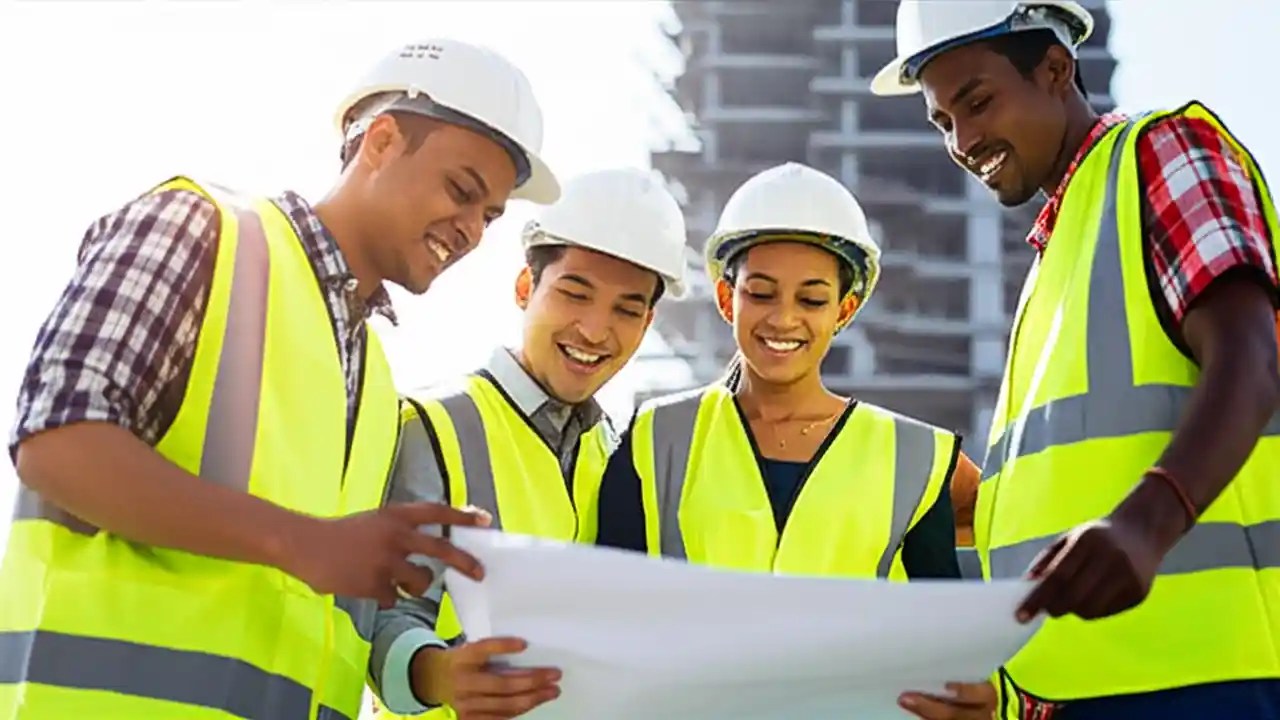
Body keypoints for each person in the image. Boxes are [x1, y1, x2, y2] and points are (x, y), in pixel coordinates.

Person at [0, 38, 559, 720]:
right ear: (381, 142)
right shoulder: (202, 229)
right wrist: (305, 542)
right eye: (462, 191)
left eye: (490, 216)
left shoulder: (378, 385)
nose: (471, 230)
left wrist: (435, 670)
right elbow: (56, 442)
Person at [873, 2, 1280, 718]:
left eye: (978, 102)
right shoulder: (1054, 261)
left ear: (1056, 70)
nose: (963, 141)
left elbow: (1254, 354)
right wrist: (1010, 699)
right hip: (1080, 697)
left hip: (1214, 681)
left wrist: (1149, 521)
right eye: (943, 122)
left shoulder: (1161, 151)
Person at [594, 162, 996, 719]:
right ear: (727, 299)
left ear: (844, 310)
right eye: (761, 293)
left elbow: (944, 642)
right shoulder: (656, 436)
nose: (783, 319)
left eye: (811, 300)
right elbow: (609, 620)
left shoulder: (916, 457)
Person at [367, 168, 689, 720]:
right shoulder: (437, 426)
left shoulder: (615, 455)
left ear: (647, 322)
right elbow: (382, 616)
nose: (595, 330)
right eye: (574, 294)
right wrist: (442, 674)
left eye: (626, 310)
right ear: (525, 288)